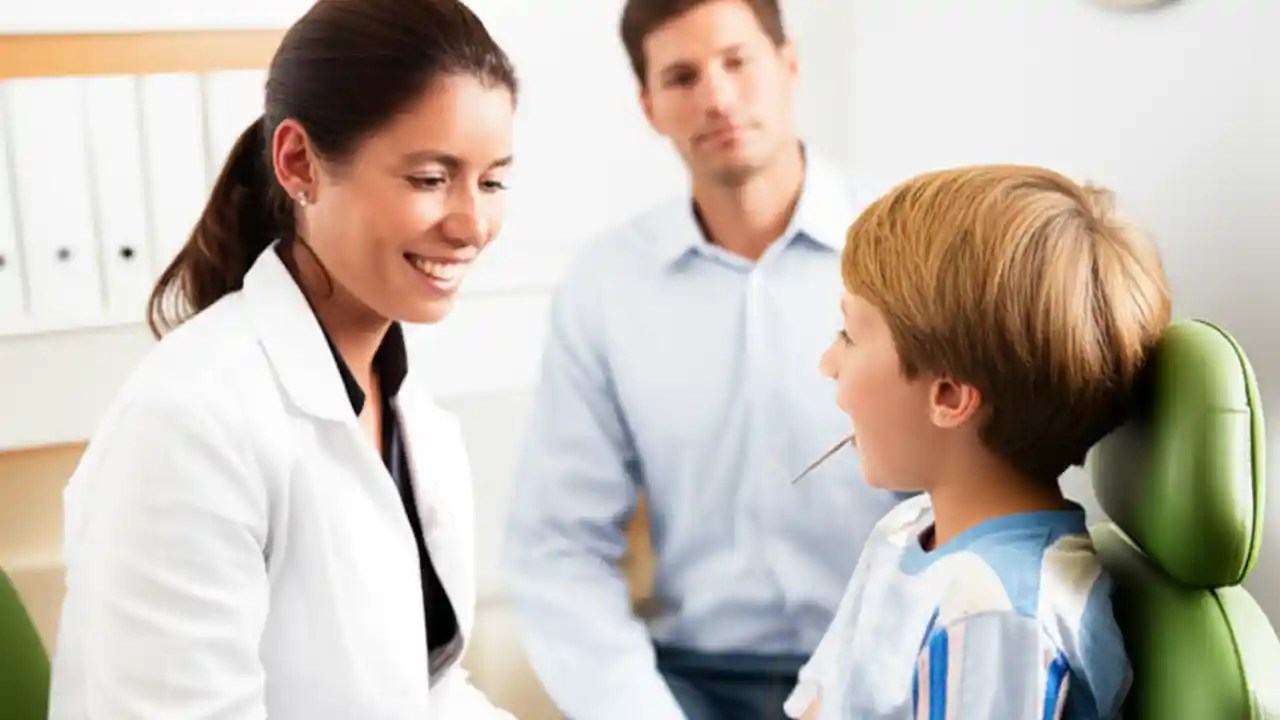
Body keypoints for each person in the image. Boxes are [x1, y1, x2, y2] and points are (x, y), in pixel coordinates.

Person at [46, 1, 518, 717]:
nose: (471, 225)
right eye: (429, 178)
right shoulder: (190, 422)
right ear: (299, 162)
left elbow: (430, 692)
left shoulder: (414, 416)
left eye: (491, 182)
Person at [502, 0, 901, 718]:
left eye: (737, 62)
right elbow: (557, 546)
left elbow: (969, 488)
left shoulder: (910, 248)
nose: (716, 98)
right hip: (691, 683)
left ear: (788, 64)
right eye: (682, 77)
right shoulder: (605, 289)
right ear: (649, 106)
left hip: (889, 664)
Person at [787, 165, 1170, 719]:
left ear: (948, 396)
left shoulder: (996, 618)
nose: (828, 362)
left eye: (849, 334)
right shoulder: (907, 529)